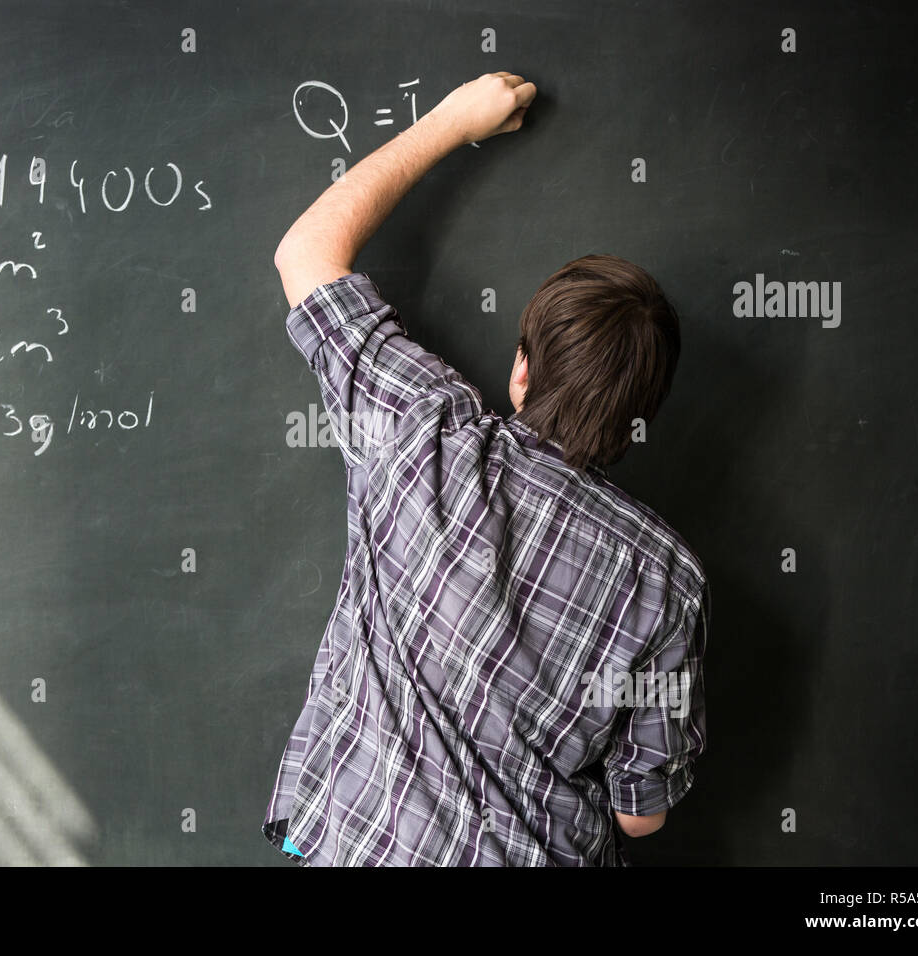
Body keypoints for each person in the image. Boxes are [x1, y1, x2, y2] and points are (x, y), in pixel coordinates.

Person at [263, 72, 708, 866]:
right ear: (640, 419)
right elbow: (642, 818)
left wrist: (450, 122)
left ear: (521, 372)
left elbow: (306, 253)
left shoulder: (420, 430)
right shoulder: (669, 582)